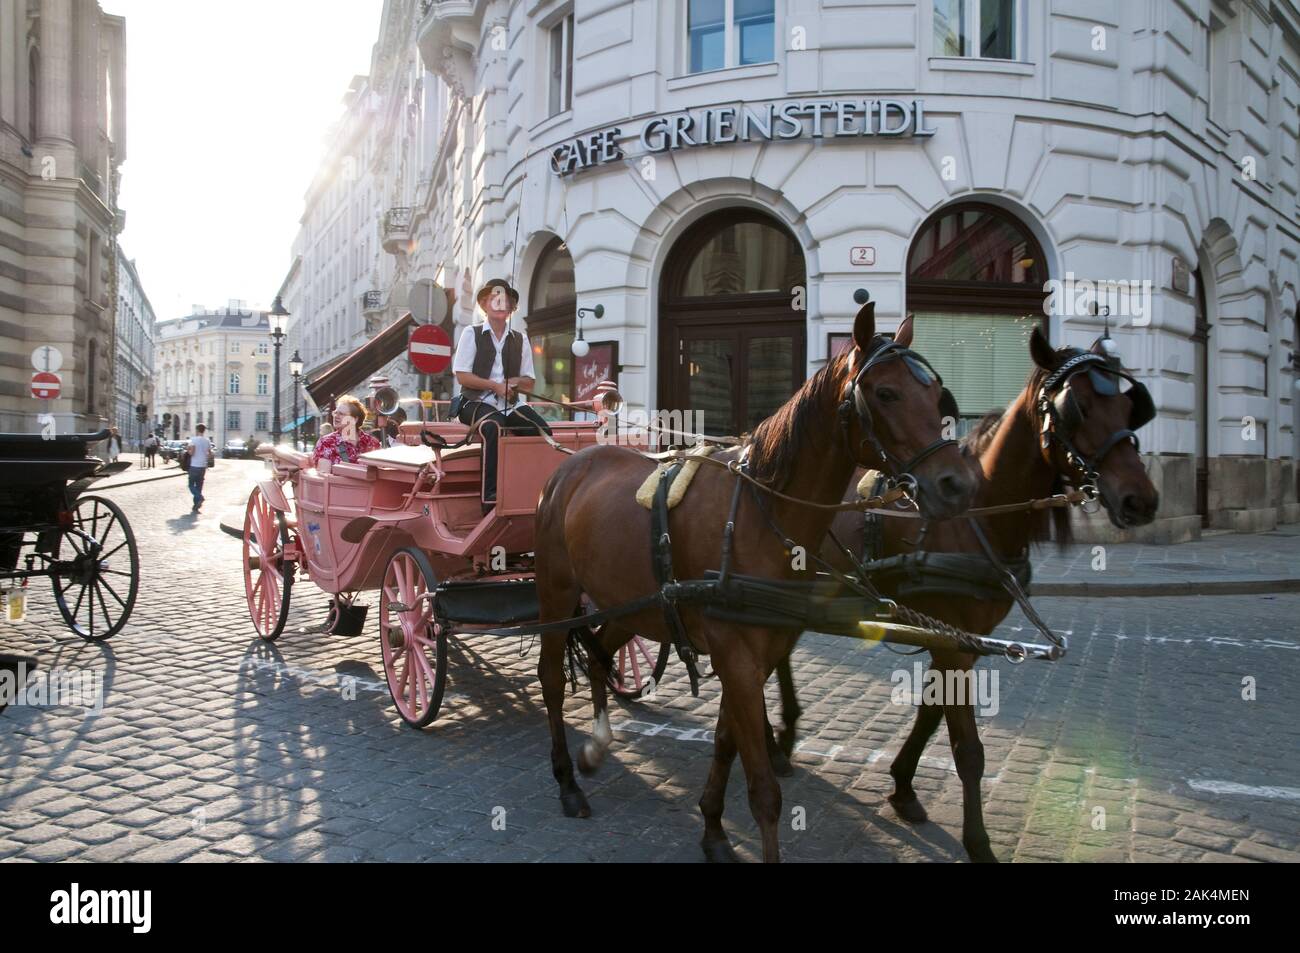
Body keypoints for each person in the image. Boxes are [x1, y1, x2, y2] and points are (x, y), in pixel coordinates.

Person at [453, 278, 553, 512]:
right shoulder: (471, 333)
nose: (500, 304)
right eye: (494, 299)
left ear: (511, 308)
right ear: (484, 304)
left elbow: (529, 382)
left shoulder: (520, 339)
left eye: (505, 301)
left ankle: (530, 488)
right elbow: (462, 376)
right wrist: (494, 386)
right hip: (474, 402)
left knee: (543, 431)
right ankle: (490, 498)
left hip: (509, 404)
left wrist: (512, 383)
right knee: (493, 427)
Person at [310, 395, 380, 468]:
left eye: (341, 414)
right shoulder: (327, 442)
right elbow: (324, 473)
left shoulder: (372, 442)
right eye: (335, 413)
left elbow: (379, 470)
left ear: (355, 419)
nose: (336, 416)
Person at [186, 423, 214, 512]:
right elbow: (210, 454)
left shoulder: (193, 440)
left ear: (197, 430)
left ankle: (199, 497)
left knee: (191, 485)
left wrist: (188, 450)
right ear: (204, 431)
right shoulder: (207, 441)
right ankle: (196, 505)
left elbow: (192, 453)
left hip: (194, 465)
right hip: (202, 466)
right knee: (199, 486)